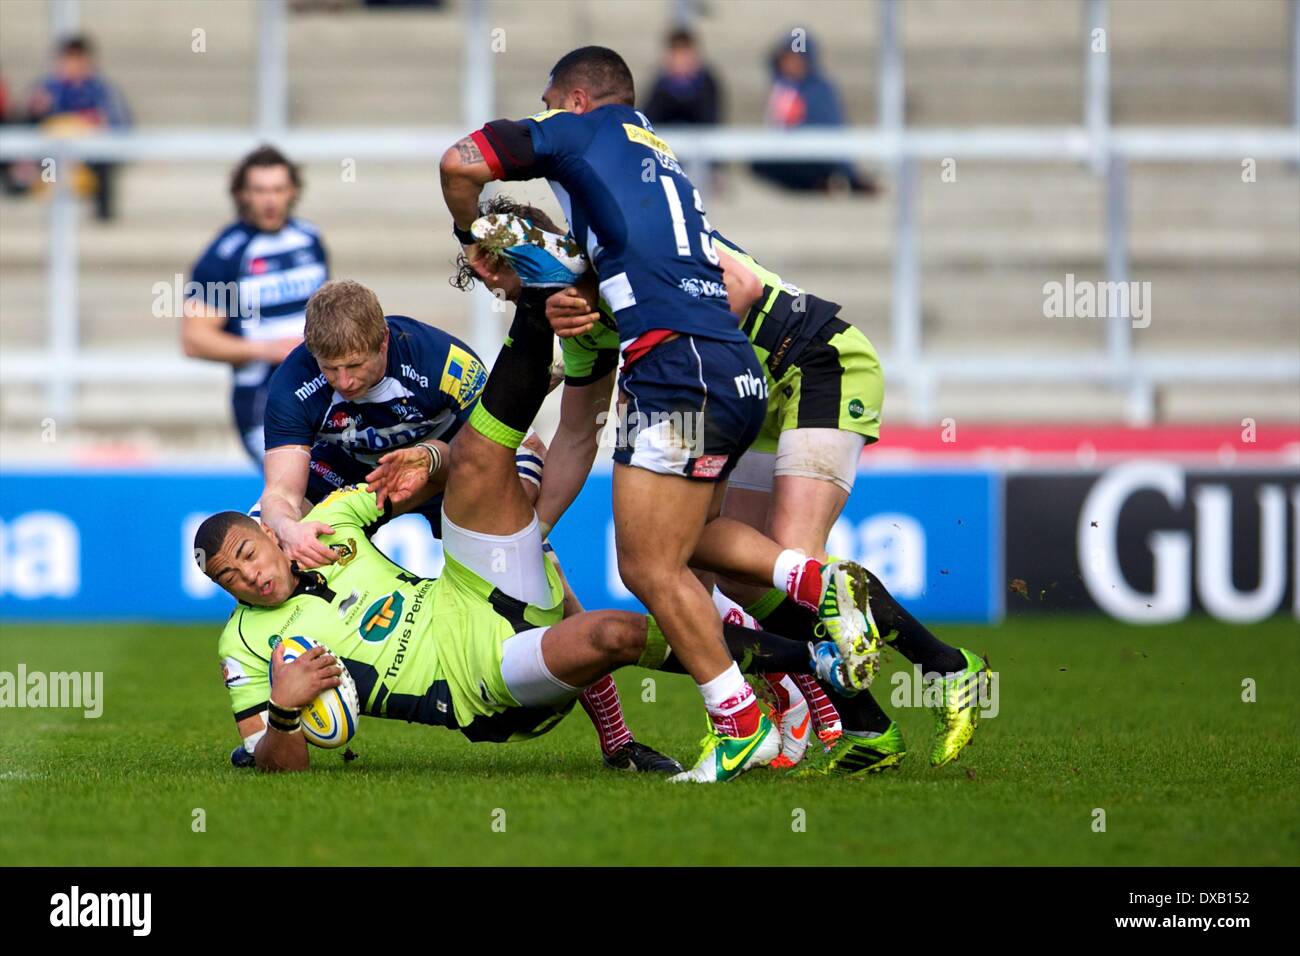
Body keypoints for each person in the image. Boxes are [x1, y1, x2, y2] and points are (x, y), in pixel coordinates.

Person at [439, 47, 880, 781]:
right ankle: (815, 588)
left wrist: (468, 230)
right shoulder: (653, 162)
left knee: (647, 564)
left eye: (550, 102)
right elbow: (578, 425)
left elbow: (460, 164)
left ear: (575, 100)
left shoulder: (581, 135)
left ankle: (739, 722)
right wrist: (531, 532)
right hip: (731, 370)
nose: (544, 115)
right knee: (691, 550)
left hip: (678, 369)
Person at [197, 292, 859, 776]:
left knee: (542, 563)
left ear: (384, 344)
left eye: (354, 369)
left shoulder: (436, 359)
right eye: (329, 369)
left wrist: (435, 461)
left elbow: (499, 430)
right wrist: (284, 529)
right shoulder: (296, 382)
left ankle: (623, 737)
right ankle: (284, 715)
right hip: (350, 487)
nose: (340, 382)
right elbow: (280, 492)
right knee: (319, 575)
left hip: (441, 468)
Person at [482, 205, 990, 772]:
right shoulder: (581, 324)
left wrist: (672, 351)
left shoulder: (626, 246)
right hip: (736, 398)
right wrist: (532, 533)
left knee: (795, 558)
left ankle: (948, 668)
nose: (503, 296)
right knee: (732, 568)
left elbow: (743, 285)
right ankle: (868, 727)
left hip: (812, 361)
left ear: (530, 256)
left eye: (502, 278)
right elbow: (577, 434)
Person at [182, 146, 329, 463]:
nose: (270, 200)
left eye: (278, 189)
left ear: (293, 191)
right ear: (241, 194)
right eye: (259, 190)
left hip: (321, 386)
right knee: (299, 486)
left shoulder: (309, 239)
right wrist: (269, 349)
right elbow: (195, 340)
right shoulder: (225, 256)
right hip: (264, 396)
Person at [750, 30, 876, 195]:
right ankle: (819, 185)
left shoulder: (820, 89)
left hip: (818, 154)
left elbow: (834, 129)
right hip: (788, 153)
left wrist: (849, 171)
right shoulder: (782, 88)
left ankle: (834, 182)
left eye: (796, 59)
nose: (791, 64)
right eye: (787, 59)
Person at [27, 34, 132, 219]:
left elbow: (121, 124)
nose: (71, 64)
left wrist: (97, 123)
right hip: (53, 154)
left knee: (103, 161)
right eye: (68, 58)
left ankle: (102, 210)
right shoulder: (48, 87)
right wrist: (37, 111)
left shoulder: (102, 89)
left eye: (76, 58)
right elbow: (31, 122)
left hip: (89, 155)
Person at [641, 28, 722, 128]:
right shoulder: (660, 85)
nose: (681, 62)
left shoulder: (706, 83)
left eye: (685, 56)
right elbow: (649, 119)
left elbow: (710, 120)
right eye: (676, 56)